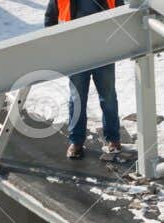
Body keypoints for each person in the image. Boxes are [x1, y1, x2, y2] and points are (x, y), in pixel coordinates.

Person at [44, 0, 124, 161]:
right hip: (75, 53)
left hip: (104, 51)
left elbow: (122, 15)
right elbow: (50, 19)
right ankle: (76, 142)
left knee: (108, 96)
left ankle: (113, 139)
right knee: (77, 98)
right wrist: (57, 46)